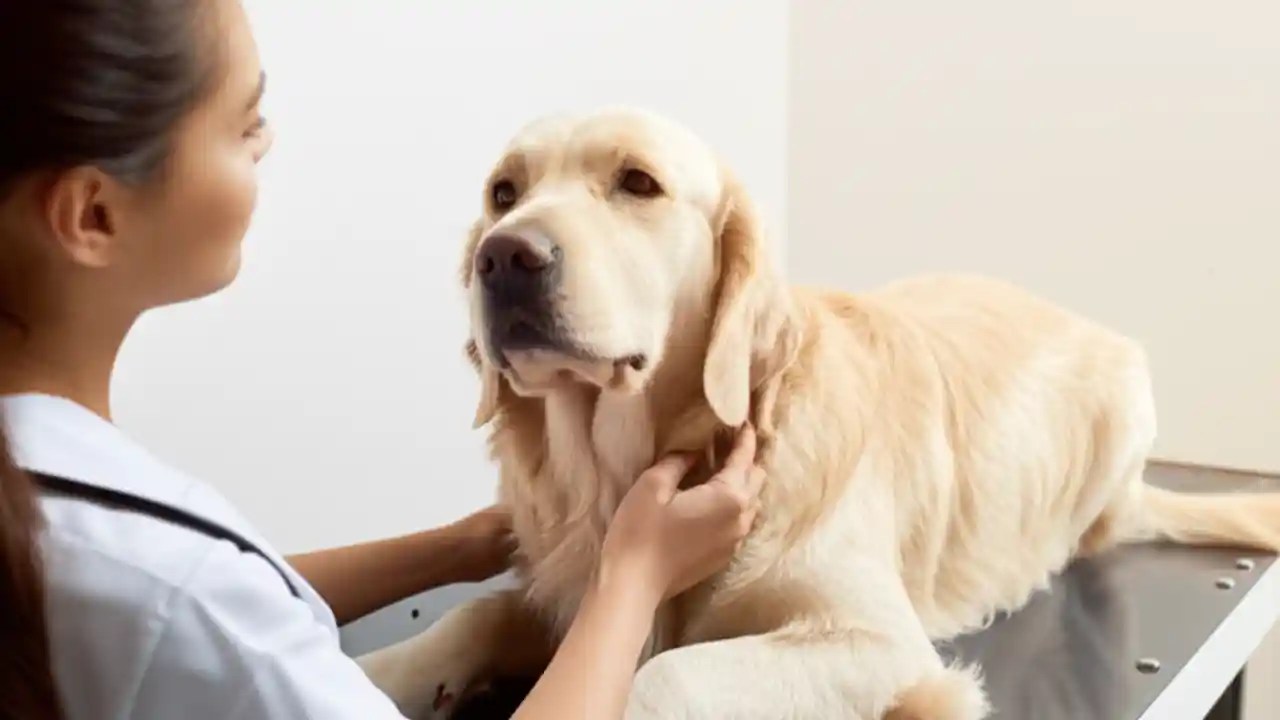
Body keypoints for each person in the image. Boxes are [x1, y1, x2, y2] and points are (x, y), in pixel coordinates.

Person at [0, 2, 765, 719]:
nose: (265, 144)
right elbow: (199, 607)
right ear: (93, 215)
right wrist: (630, 580)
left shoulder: (67, 511)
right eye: (244, 125)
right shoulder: (178, 585)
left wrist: (454, 550)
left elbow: (209, 601)